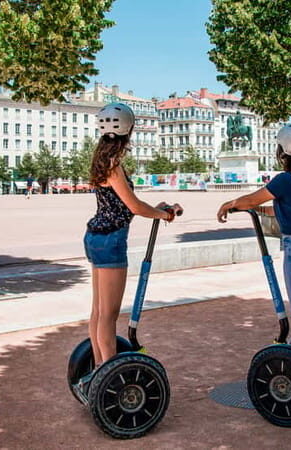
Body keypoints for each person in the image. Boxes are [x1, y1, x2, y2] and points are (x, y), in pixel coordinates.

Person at [217, 124, 291, 382]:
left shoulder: (285, 179)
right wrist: (261, 211)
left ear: (283, 149)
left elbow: (251, 199)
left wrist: (230, 204)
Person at [79, 103, 181, 390]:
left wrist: (159, 207)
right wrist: (163, 214)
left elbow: (123, 204)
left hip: (96, 237)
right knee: (109, 315)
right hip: (111, 241)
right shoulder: (114, 165)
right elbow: (133, 206)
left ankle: (99, 369)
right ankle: (106, 378)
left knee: (98, 311)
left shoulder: (101, 160)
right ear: (128, 131)